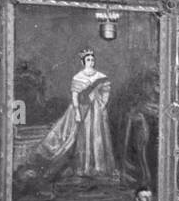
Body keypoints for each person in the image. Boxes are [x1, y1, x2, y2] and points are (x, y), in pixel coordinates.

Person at [23, 49, 117, 183]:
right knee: (80, 137)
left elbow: (105, 93)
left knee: (96, 137)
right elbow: (75, 96)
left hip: (96, 111)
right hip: (81, 108)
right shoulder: (78, 77)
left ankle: (97, 167)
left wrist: (101, 106)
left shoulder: (100, 76)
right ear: (83, 62)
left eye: (92, 60)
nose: (91, 62)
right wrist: (78, 112)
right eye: (88, 60)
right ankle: (83, 167)